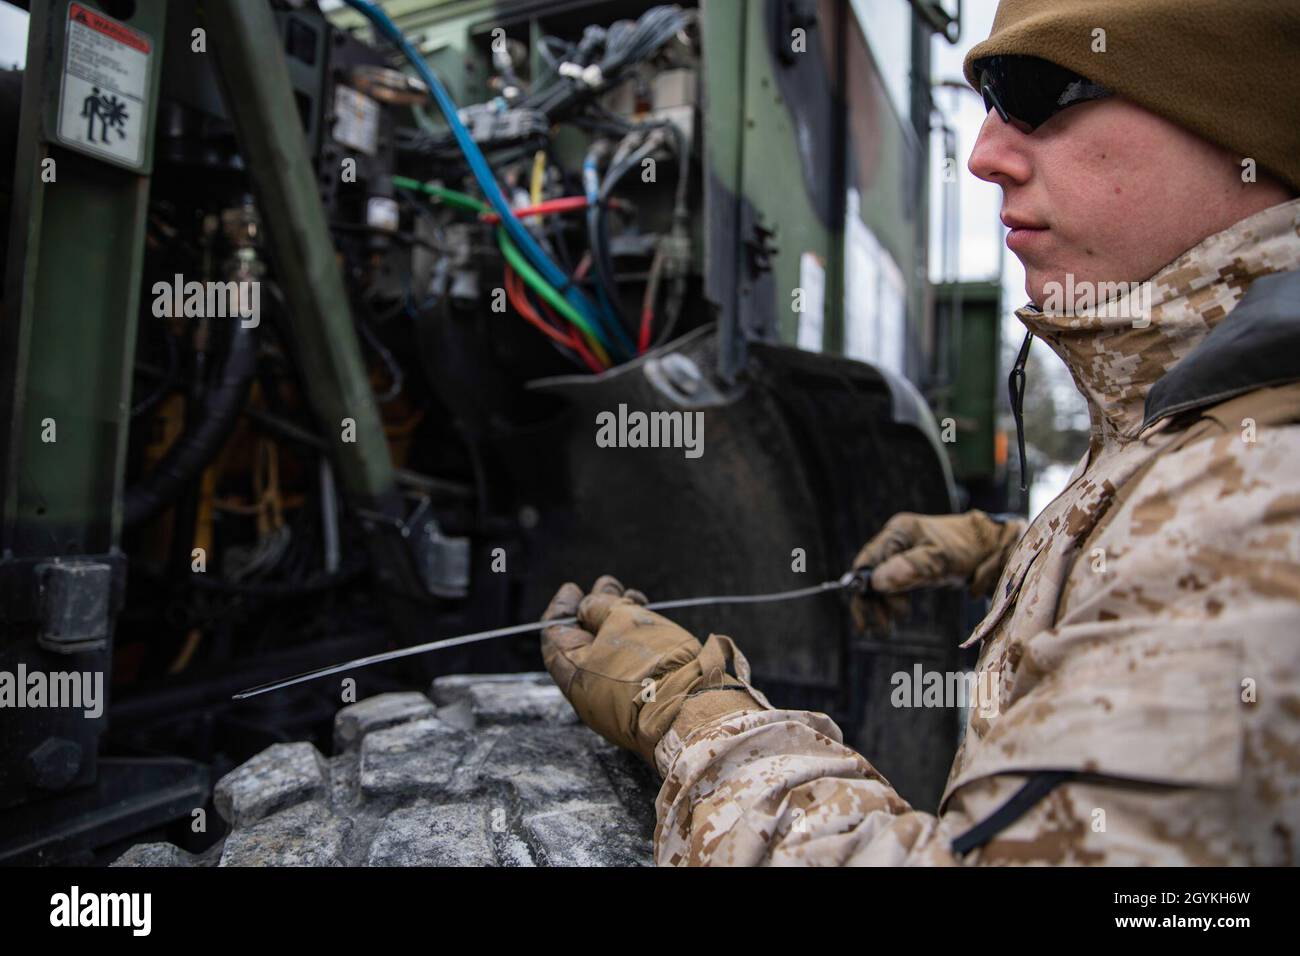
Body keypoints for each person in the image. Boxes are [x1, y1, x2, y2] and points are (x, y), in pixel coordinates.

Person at [541, 0, 1300, 865]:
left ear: (1241, 118)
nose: (984, 157)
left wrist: (690, 716)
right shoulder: (1221, 420)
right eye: (982, 103)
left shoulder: (1261, 509)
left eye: (1039, 90)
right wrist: (1005, 550)